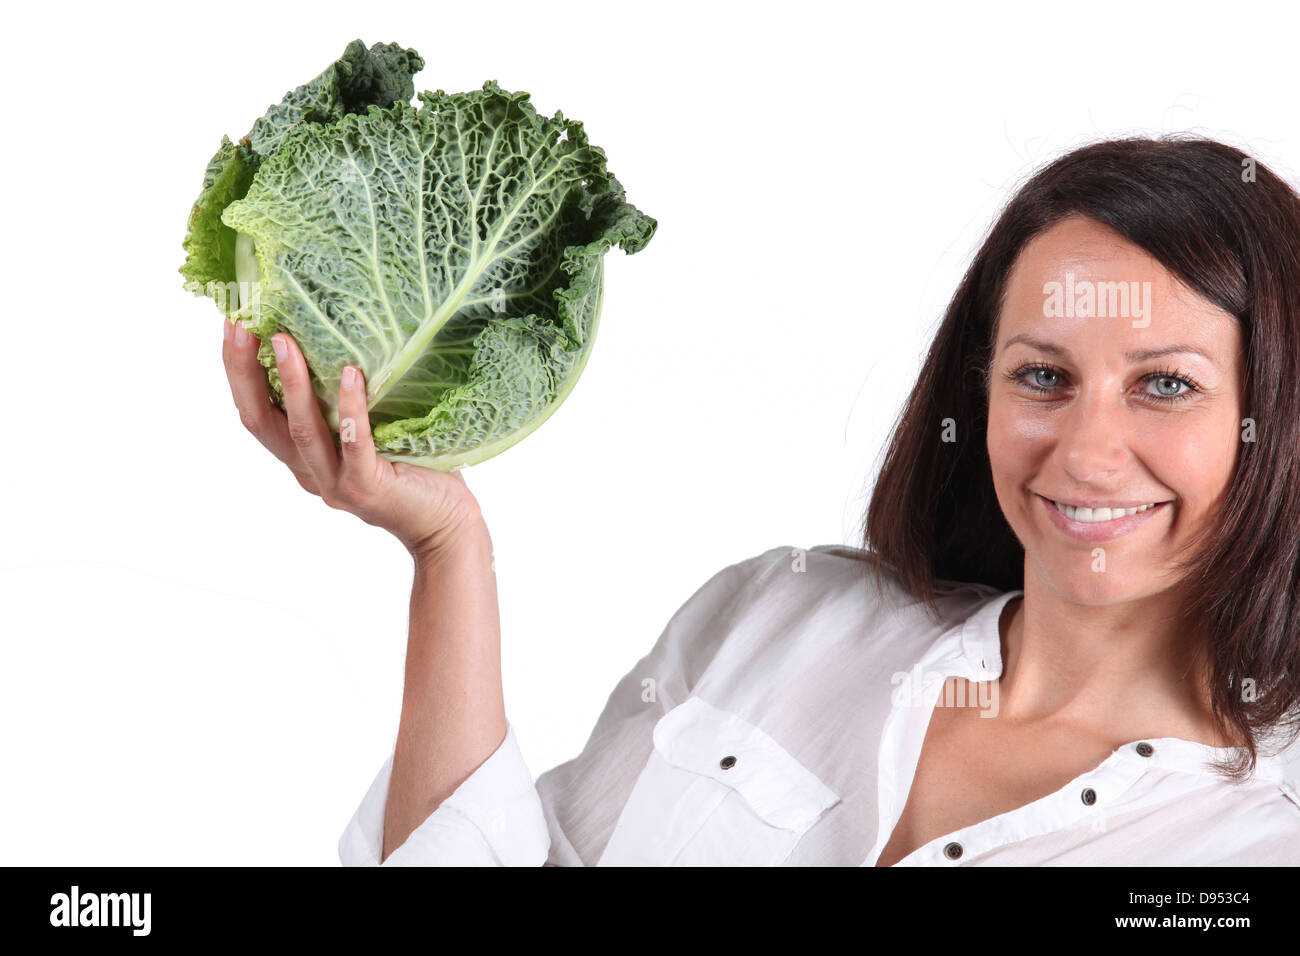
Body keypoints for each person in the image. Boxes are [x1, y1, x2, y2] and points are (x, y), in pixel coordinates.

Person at [221, 136, 1300, 866]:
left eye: (1166, 384)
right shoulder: (776, 617)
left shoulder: (1257, 835)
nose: (1087, 447)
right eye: (1040, 375)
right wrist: (446, 542)